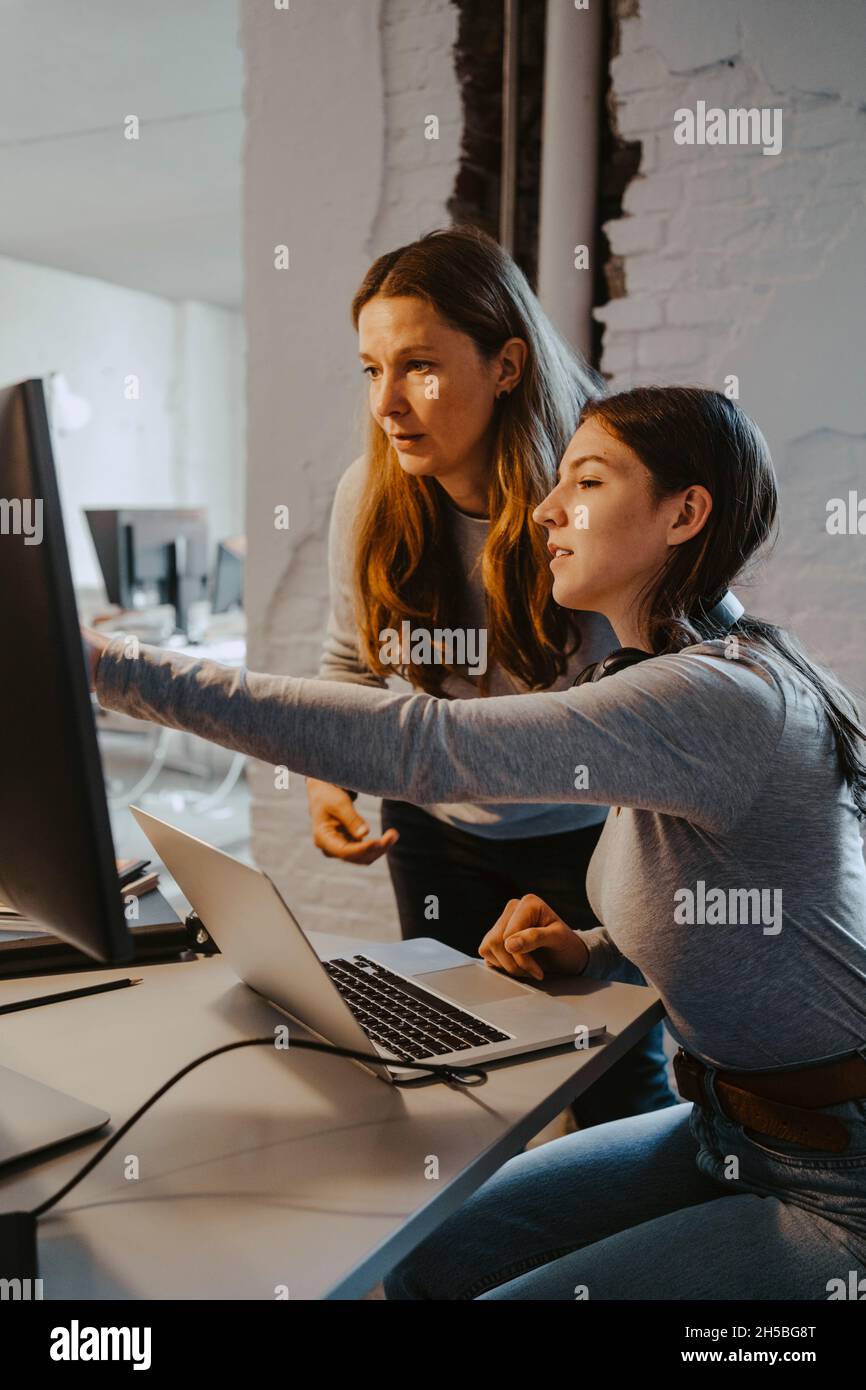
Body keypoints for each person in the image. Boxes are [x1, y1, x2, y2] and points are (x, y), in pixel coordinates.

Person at [84, 385, 866, 1298]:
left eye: (589, 481)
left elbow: (424, 747)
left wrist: (107, 667)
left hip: (834, 1185)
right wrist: (597, 949)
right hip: (725, 1133)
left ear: (684, 513)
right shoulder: (679, 675)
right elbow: (770, 923)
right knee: (421, 1254)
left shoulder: (718, 698)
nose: (546, 508)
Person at [307, 225, 675, 1125]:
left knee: (612, 1084)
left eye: (420, 367)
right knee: (456, 1079)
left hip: (587, 838)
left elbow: (667, 703)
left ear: (507, 364)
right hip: (433, 832)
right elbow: (352, 663)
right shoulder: (370, 492)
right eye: (371, 370)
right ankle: (472, 1265)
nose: (388, 403)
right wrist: (328, 778)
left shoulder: (592, 502)